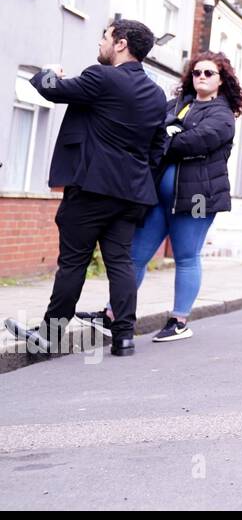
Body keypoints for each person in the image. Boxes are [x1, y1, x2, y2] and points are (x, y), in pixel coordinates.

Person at [3, 21, 166, 358]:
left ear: (120, 44)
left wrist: (49, 71)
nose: (100, 43)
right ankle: (123, 337)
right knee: (120, 261)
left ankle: (51, 334)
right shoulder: (156, 93)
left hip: (92, 187)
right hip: (132, 192)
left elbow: (52, 89)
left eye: (104, 37)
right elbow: (158, 146)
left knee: (74, 262)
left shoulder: (102, 77)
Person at [82, 52, 242, 344]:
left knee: (186, 256)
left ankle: (179, 320)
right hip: (157, 196)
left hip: (197, 198)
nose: (201, 77)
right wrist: (168, 135)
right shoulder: (176, 105)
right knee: (136, 254)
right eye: (196, 73)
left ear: (222, 80)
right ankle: (112, 314)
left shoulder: (223, 114)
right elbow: (152, 133)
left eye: (208, 73)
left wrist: (167, 137)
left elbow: (193, 141)